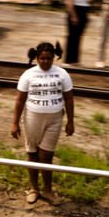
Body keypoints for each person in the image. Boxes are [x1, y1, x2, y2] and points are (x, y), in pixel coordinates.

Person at [11, 42, 75, 205]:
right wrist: (15, 123)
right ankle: (34, 189)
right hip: (33, 118)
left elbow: (68, 99)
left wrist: (70, 122)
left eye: (49, 58)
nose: (45, 61)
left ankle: (48, 191)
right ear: (37, 58)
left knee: (46, 156)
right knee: (32, 154)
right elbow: (20, 100)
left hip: (55, 119)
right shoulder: (28, 74)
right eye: (42, 58)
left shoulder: (62, 74)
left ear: (54, 58)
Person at [63, 0, 91, 66]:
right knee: (72, 36)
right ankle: (68, 60)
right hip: (75, 10)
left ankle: (75, 60)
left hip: (83, 10)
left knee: (79, 36)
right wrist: (74, 15)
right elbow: (69, 1)